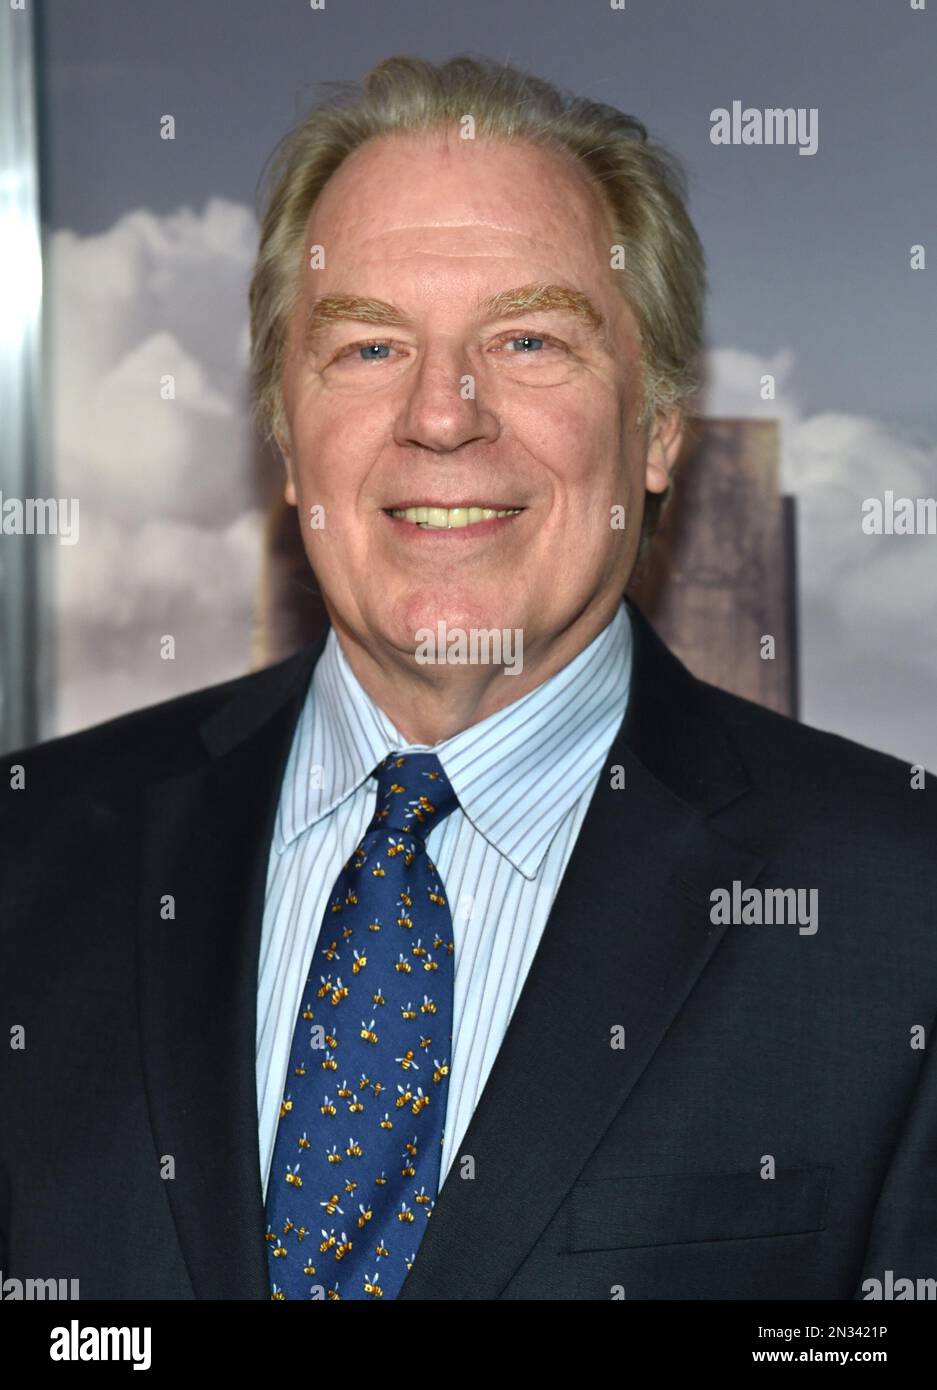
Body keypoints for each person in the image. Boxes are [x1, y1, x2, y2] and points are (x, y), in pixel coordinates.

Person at [2, 54, 935, 1302]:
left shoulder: (900, 911)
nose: (444, 415)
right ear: (285, 430)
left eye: (531, 338)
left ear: (658, 427)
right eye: (372, 344)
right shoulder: (29, 853)